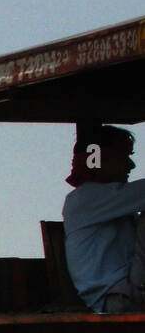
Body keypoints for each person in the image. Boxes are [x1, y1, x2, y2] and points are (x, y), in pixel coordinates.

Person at [62, 124, 145, 313]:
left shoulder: (108, 200)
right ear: (100, 160)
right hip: (120, 296)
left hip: (123, 292)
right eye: (123, 156)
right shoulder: (86, 198)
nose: (131, 164)